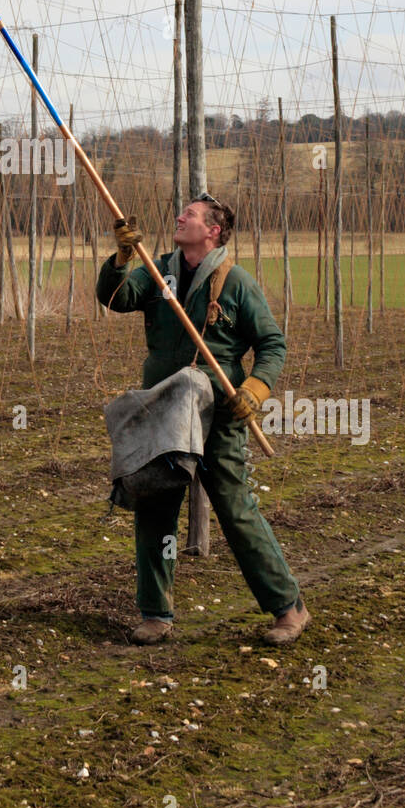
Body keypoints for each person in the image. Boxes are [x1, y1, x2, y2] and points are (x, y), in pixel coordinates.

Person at [96, 194, 310, 647]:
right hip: (164, 408)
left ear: (213, 230)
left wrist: (256, 389)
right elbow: (114, 298)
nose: (179, 217)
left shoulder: (236, 283)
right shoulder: (157, 272)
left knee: (236, 510)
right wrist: (120, 258)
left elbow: (272, 343)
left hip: (217, 413)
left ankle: (288, 608)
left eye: (189, 215)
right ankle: (156, 614)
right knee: (154, 505)